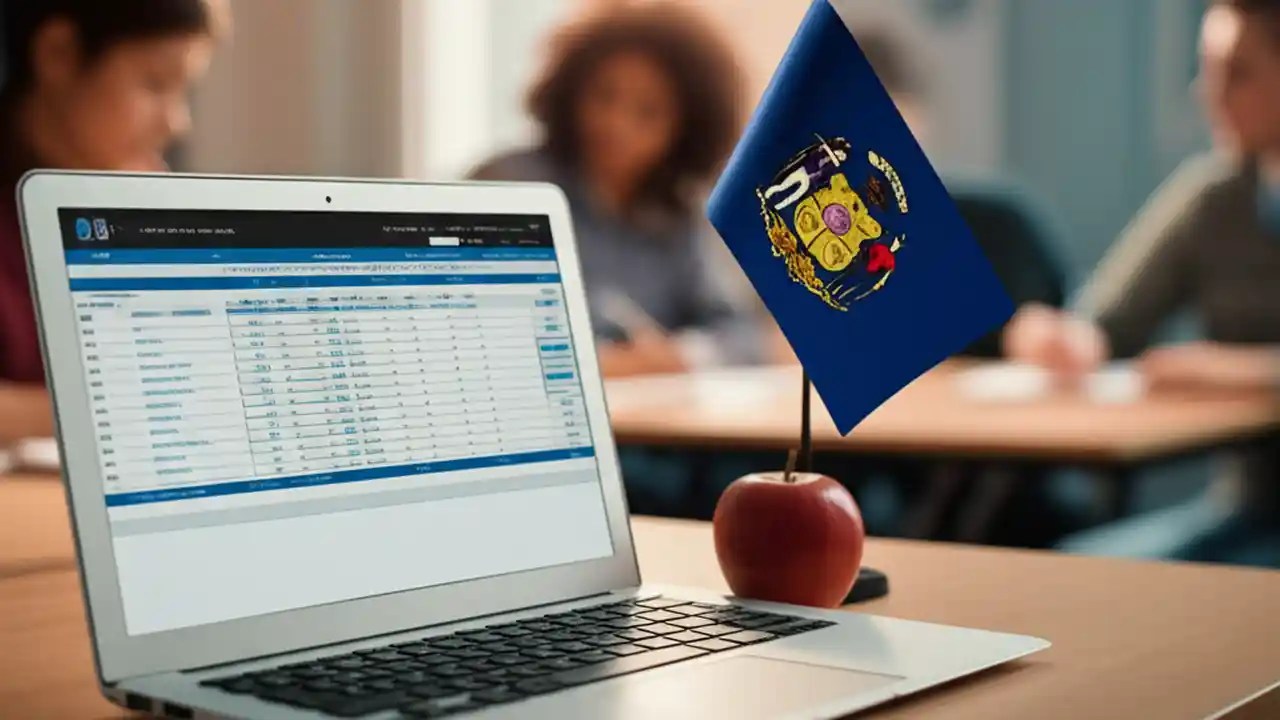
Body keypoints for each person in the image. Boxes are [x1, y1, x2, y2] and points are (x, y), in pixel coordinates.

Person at [1005, 0, 1280, 562]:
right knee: (1073, 573)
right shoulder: (1215, 197)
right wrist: (1067, 340)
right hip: (1247, 511)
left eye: (1238, 72)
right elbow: (1109, 320)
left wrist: (1239, 369)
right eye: (1207, 68)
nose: (1209, 93)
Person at [471, 2, 761, 378]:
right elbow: (475, 324)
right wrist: (602, 361)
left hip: (654, 425)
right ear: (572, 90)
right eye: (604, 95)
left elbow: (743, 335)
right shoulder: (510, 183)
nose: (617, 124)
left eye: (647, 112)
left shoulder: (678, 210)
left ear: (685, 130)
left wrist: (680, 355)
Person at [0, 0, 226, 441]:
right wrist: (125, 406)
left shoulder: (144, 205)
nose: (177, 122)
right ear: (58, 54)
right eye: (155, 84)